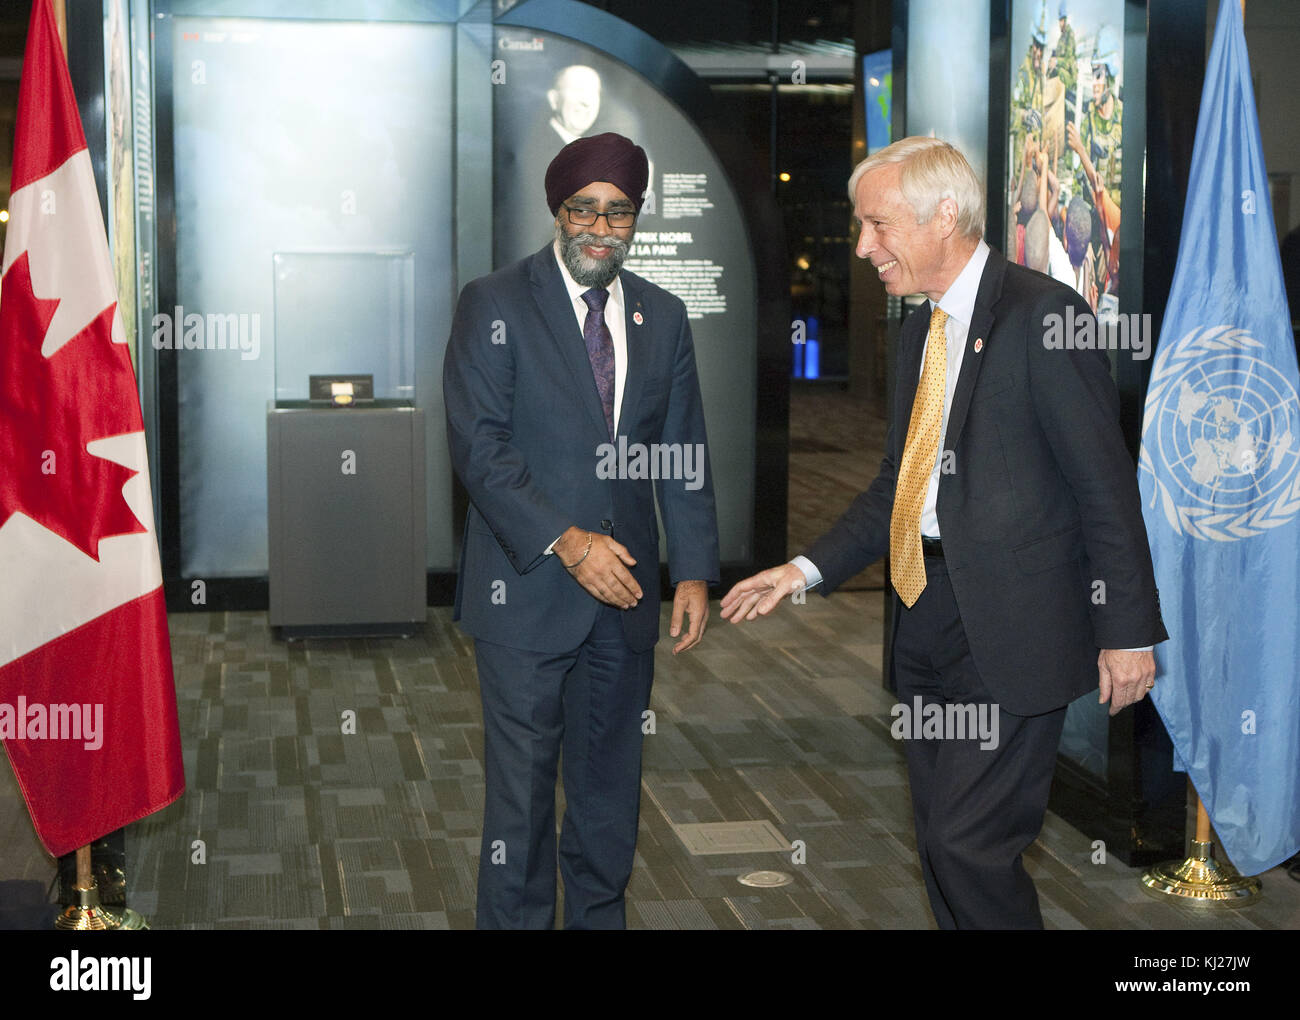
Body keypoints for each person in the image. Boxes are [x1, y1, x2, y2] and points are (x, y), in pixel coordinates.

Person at [720, 136, 1166, 930]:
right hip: (921, 614)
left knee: (970, 843)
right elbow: (902, 483)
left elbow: (1106, 487)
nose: (863, 248)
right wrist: (802, 570)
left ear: (945, 215)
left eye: (878, 226)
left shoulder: (1043, 316)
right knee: (937, 841)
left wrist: (1128, 631)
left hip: (1015, 627)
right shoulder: (919, 331)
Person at [443, 132, 719, 930]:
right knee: (522, 806)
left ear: (636, 219)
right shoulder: (493, 303)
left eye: (619, 213)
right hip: (525, 594)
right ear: (557, 212)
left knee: (607, 799)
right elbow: (480, 448)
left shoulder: (661, 316)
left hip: (626, 598)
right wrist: (567, 540)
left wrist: (694, 568)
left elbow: (683, 449)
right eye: (584, 210)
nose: (601, 229)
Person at [547, 65, 602, 146]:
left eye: (593, 93)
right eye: (578, 91)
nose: (586, 102)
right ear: (554, 99)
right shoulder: (535, 146)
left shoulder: (596, 148)